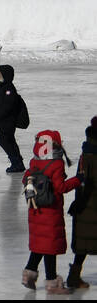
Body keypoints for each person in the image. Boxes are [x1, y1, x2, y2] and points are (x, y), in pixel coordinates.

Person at [22, 129, 81, 294]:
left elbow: (24, 179)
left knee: (40, 244)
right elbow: (61, 187)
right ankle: (52, 283)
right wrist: (78, 180)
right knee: (50, 246)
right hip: (50, 210)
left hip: (35, 209)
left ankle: (29, 274)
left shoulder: (35, 162)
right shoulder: (56, 163)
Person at [67, 116, 97, 290]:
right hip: (92, 204)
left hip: (84, 206)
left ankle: (74, 276)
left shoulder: (86, 153)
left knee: (83, 244)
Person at [0, 64, 27, 173]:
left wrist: (1, 115)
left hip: (7, 121)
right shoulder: (3, 87)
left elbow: (10, 103)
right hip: (4, 121)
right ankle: (17, 162)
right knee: (9, 141)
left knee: (4, 140)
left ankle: (16, 162)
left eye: (0, 75)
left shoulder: (8, 88)